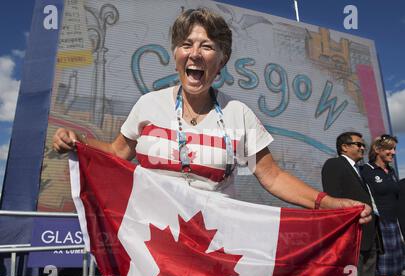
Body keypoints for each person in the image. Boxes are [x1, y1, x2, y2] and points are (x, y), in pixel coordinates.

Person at [53, 10, 371, 225]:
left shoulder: (238, 114)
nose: (195, 53)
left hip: (215, 246)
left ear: (221, 60)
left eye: (207, 46)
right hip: (150, 242)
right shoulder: (149, 104)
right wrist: (77, 141)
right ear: (176, 54)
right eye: (186, 44)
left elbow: (272, 177)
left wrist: (328, 203)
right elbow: (116, 152)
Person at [321, 132, 382, 276]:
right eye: (358, 144)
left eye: (363, 145)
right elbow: (333, 199)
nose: (362, 148)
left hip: (370, 236)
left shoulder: (360, 170)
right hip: (351, 236)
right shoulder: (334, 164)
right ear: (345, 147)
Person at [361, 134, 405, 276]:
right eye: (389, 148)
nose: (393, 152)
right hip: (379, 228)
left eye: (394, 148)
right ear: (377, 150)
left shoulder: (392, 172)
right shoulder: (366, 170)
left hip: (395, 228)